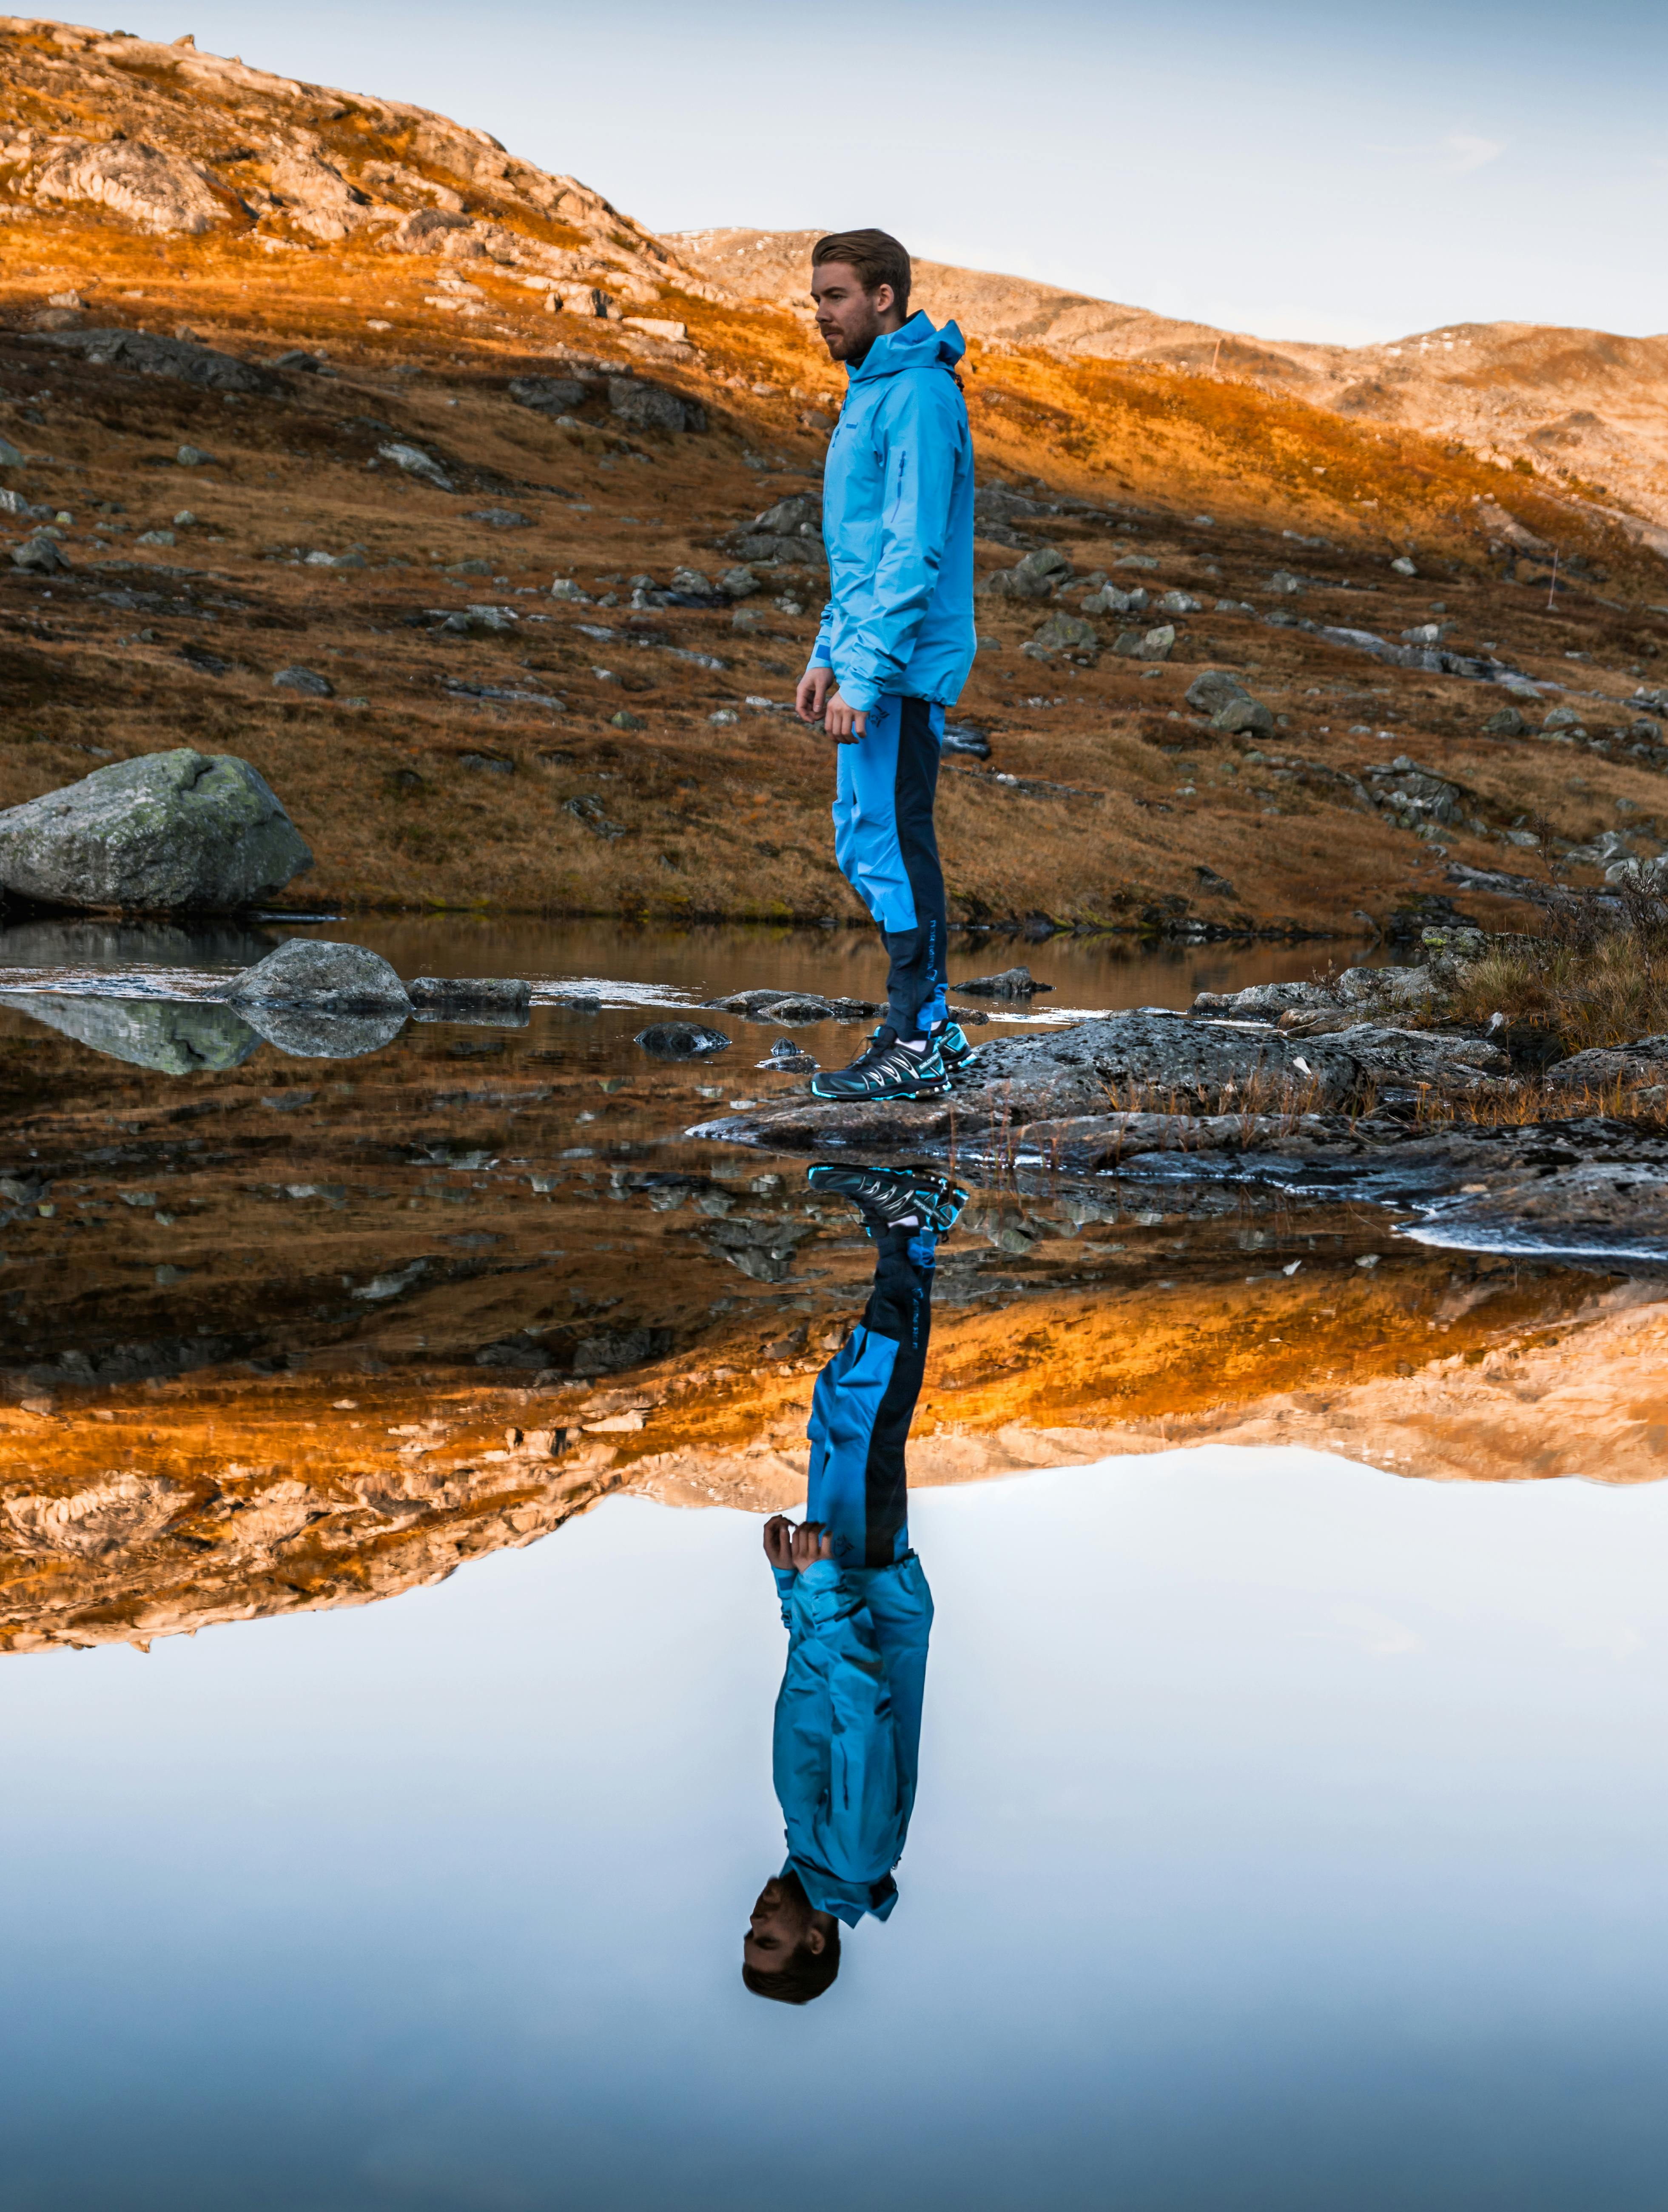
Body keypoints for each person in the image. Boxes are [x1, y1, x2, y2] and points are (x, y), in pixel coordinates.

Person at [742, 1162, 968, 2004]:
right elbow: (863, 1698)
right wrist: (825, 1582)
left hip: (840, 1587)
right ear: (815, 1939)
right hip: (865, 1584)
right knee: (867, 1414)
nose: (756, 1914)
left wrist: (787, 1586)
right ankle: (908, 1233)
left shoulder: (811, 1845)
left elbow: (815, 1687)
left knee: (840, 1407)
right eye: (769, 1937)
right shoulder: (857, 1853)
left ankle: (915, 1231)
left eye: (749, 1931)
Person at [793, 229, 979, 1104]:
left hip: (901, 666)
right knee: (864, 838)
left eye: (833, 297)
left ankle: (923, 1034)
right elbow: (857, 553)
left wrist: (864, 675)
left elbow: (912, 551)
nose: (819, 312)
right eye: (817, 297)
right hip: (870, 656)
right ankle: (920, 1023)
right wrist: (828, 653)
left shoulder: (918, 396)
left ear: (884, 297)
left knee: (898, 839)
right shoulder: (871, 394)